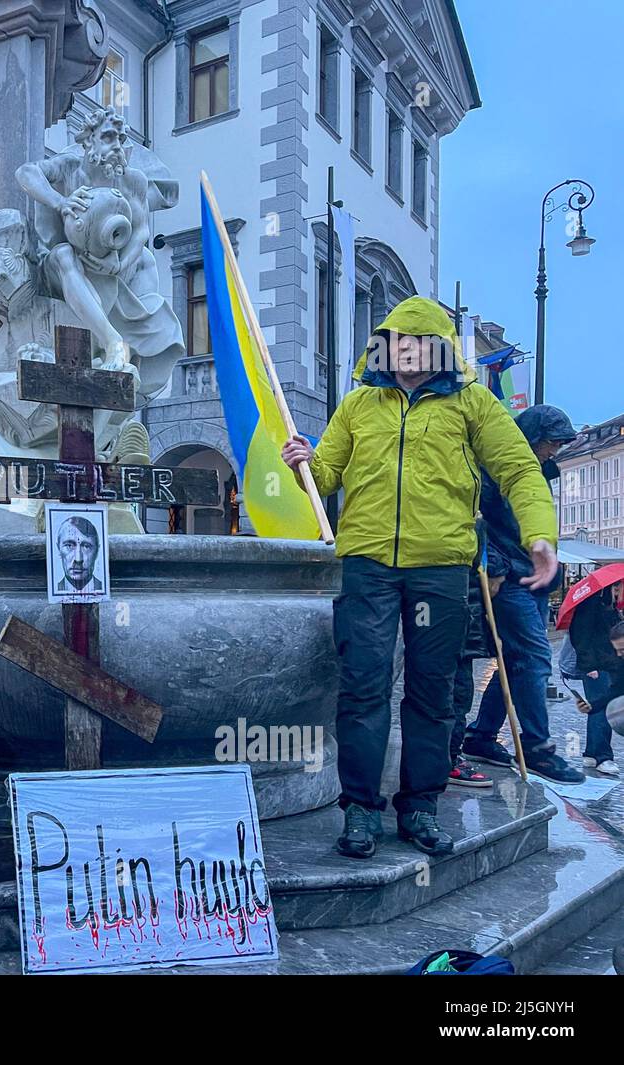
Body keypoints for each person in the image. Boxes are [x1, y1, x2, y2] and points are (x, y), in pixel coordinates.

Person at [282, 297, 557, 860]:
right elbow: (327, 475)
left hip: (442, 567)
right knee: (363, 686)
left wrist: (539, 535)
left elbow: (520, 470)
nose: (405, 351)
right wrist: (302, 461)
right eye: (395, 341)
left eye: (417, 341)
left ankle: (421, 806)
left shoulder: (474, 405)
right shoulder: (359, 405)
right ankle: (360, 809)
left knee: (433, 692)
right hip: (367, 564)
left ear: (440, 347)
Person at [460, 406, 583, 783]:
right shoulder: (496, 465)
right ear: (532, 438)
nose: (554, 451)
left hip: (530, 575)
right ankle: (536, 747)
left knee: (516, 660)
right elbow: (477, 517)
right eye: (551, 443)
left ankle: (481, 736)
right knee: (533, 657)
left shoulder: (536, 472)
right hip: (510, 576)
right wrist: (495, 566)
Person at [568, 586, 624, 777]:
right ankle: (602, 756)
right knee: (604, 708)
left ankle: (592, 753)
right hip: (596, 666)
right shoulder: (592, 602)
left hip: (609, 663)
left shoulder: (609, 604)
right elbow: (580, 635)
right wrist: (589, 666)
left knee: (598, 706)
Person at [446, 561, 494, 788]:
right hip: (454, 620)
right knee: (454, 696)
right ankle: (448, 760)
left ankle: (450, 756)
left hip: (465, 622)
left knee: (460, 695)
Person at [55, 516, 103, 593]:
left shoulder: (104, 588)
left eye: (86, 547)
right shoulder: (54, 589)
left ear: (97, 551)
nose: (78, 559)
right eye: (69, 546)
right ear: (58, 549)